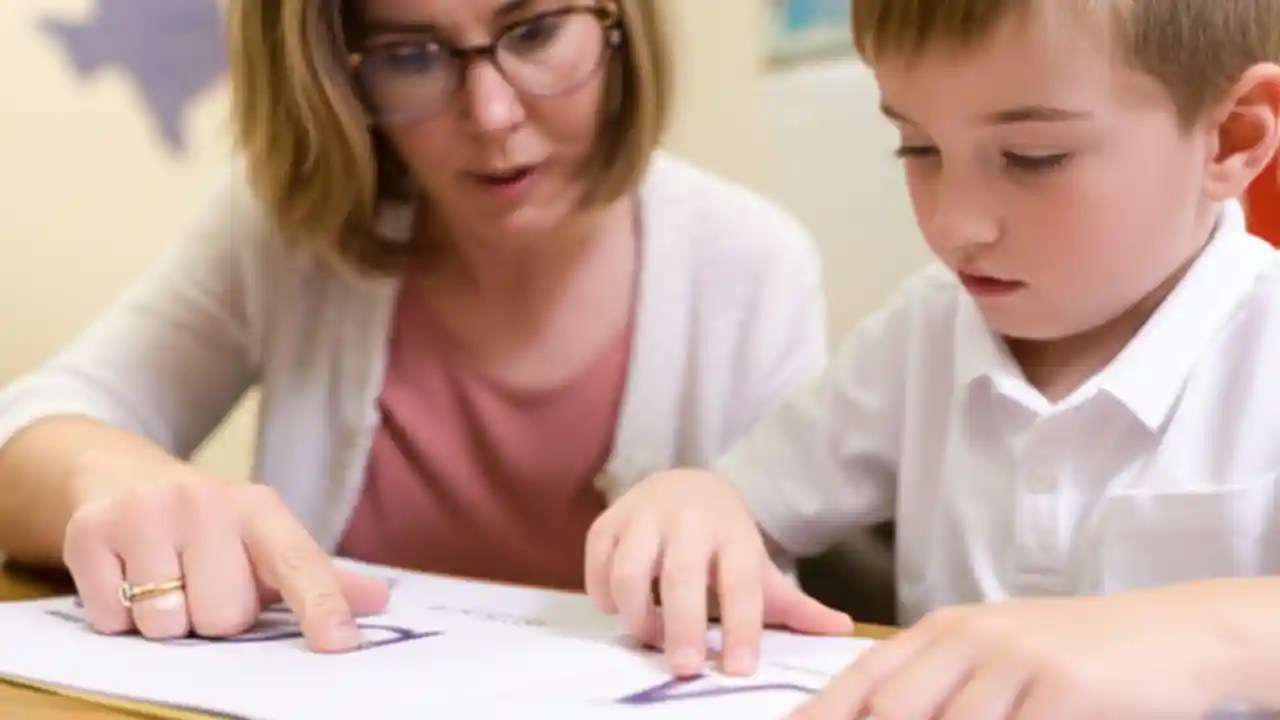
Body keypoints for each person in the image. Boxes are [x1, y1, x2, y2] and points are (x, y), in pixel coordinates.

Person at [0, 0, 834, 656]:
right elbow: (29, 430)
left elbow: (764, 613)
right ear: (337, 75)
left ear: (619, 24)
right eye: (409, 55)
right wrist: (124, 486)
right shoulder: (291, 235)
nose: (493, 113)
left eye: (536, 31)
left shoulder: (751, 265)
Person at [586, 0, 1280, 716]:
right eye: (918, 149)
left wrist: (1186, 637)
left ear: (1230, 138)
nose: (955, 224)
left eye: (1031, 158)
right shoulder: (926, 331)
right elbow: (745, 499)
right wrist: (694, 503)